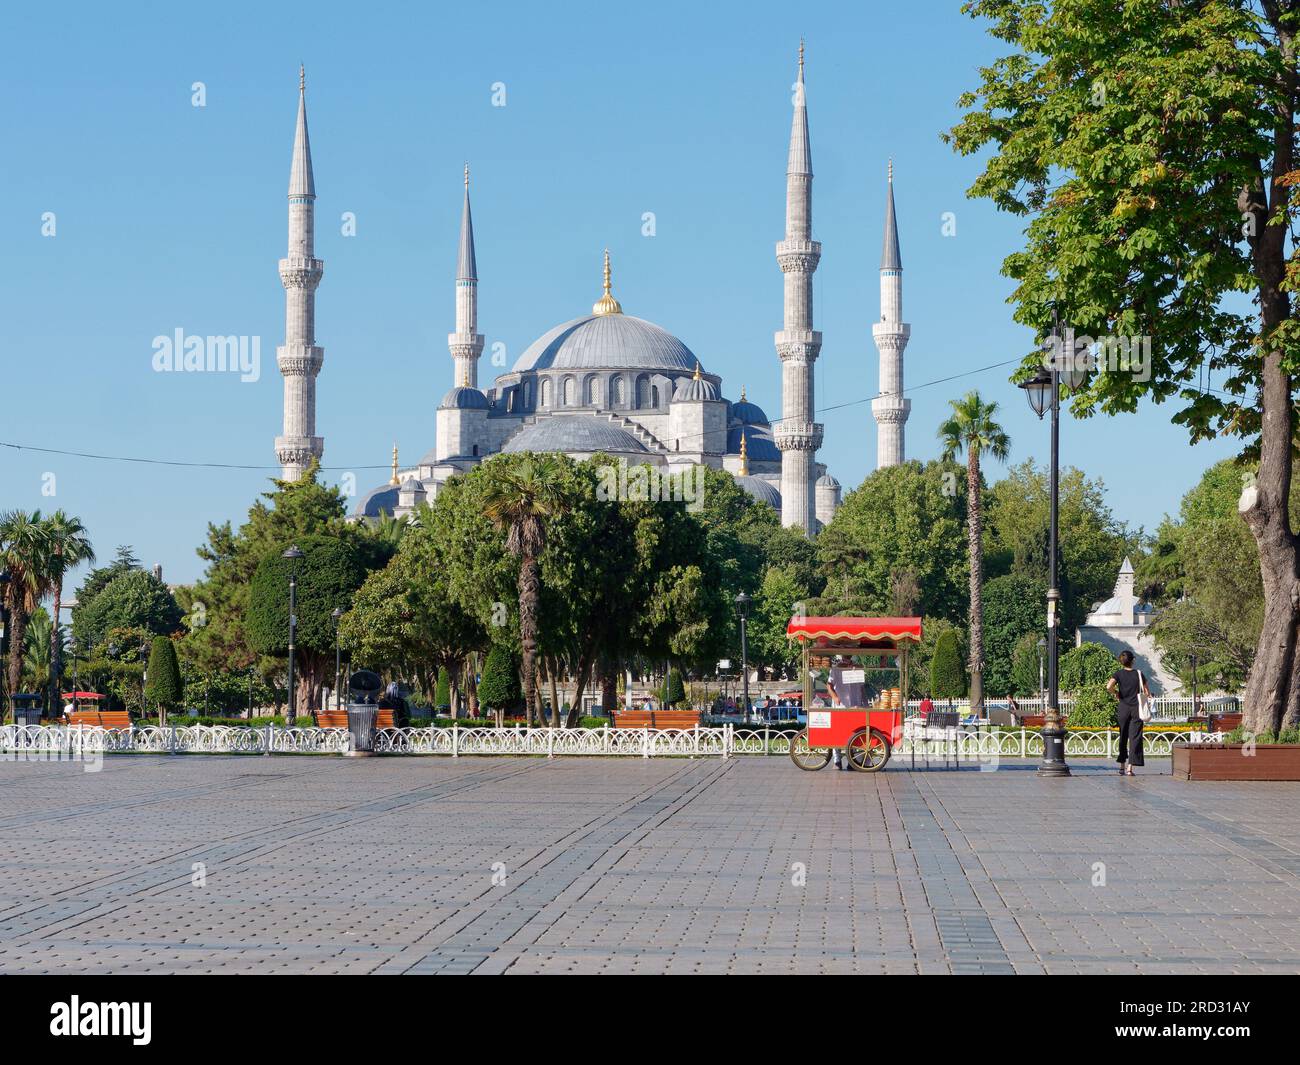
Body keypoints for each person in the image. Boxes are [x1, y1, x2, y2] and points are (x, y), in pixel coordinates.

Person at [1106, 650, 1150, 776]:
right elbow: (1147, 693)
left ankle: (1121, 766)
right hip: (1137, 708)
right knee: (1135, 737)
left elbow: (1108, 686)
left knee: (1123, 735)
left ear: (1121, 662)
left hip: (1123, 708)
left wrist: (1117, 693)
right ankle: (1130, 768)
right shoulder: (1139, 674)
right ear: (1133, 661)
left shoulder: (1118, 674)